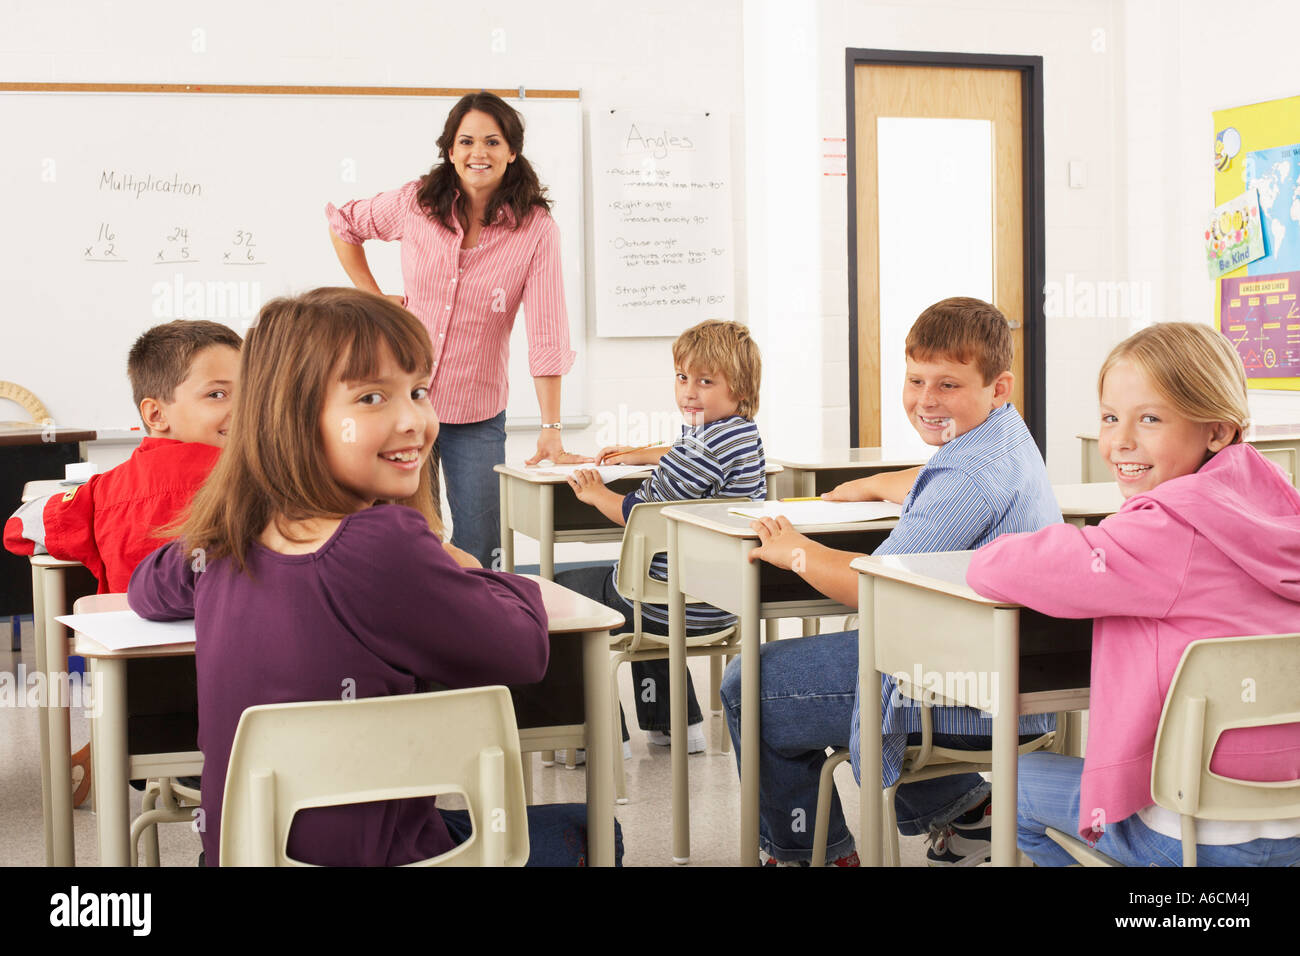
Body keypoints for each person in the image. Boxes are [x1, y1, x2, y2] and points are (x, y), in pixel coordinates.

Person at [128, 288, 619, 866]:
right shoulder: (382, 543)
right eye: (370, 397)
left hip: (243, 857)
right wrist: (479, 569)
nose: (414, 421)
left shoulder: (226, 536)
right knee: (594, 829)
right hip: (387, 858)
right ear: (291, 416)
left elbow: (145, 589)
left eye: (418, 391)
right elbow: (524, 650)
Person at [722, 297, 1060, 865]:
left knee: (746, 683)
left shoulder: (971, 474)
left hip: (962, 695)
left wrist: (798, 551)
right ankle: (965, 812)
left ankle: (810, 853)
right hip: (1003, 671)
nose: (927, 400)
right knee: (844, 662)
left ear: (998, 387)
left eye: (948, 385)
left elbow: (876, 591)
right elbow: (941, 480)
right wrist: (876, 482)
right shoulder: (1004, 437)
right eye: (916, 380)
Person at [968, 322, 1300, 866]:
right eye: (1109, 418)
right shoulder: (1281, 507)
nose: (1121, 440)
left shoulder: (1166, 528)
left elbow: (995, 567)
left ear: (1217, 431)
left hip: (1190, 838)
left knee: (1011, 784)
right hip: (1292, 823)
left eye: (1149, 419)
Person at [326, 91, 586, 569]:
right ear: (450, 149)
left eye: (492, 141)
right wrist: (372, 295)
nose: (477, 152)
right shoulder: (415, 203)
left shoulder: (535, 229)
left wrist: (551, 429)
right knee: (401, 535)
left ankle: (472, 616)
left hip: (476, 412)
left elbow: (547, 332)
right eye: (466, 141)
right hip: (402, 405)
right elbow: (344, 223)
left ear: (512, 151)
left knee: (481, 545)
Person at [4, 318, 241, 806]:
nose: (241, 408)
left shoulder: (105, 494)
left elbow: (18, 532)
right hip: (269, 715)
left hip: (148, 723)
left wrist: (75, 497)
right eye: (218, 394)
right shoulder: (280, 485)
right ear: (156, 413)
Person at [555, 320, 765, 754]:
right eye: (682, 377)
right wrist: (640, 454)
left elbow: (637, 513)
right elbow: (685, 454)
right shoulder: (742, 436)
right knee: (654, 589)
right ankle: (677, 727)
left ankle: (600, 739)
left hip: (669, 608)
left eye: (705, 382)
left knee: (560, 594)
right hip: (721, 604)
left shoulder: (700, 448)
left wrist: (596, 494)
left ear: (741, 388)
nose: (689, 392)